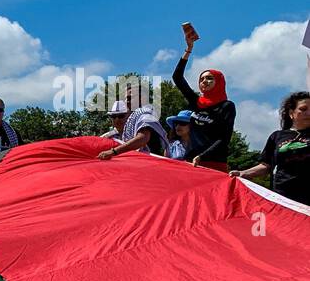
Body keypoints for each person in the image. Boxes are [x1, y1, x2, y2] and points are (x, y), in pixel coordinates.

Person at [231, 91, 310, 205]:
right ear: (291, 113)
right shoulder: (277, 136)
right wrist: (243, 173)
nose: (309, 113)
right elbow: (266, 165)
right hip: (282, 196)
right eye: (303, 109)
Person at [173, 29, 236, 170]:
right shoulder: (196, 102)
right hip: (191, 162)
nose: (204, 81)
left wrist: (203, 156)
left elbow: (224, 139)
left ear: (219, 82)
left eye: (209, 78)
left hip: (214, 163)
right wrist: (188, 49)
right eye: (202, 79)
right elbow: (177, 78)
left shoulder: (226, 106)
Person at [97, 101, 169, 160]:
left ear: (129, 116)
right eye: (113, 116)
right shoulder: (106, 137)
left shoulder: (140, 130)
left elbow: (143, 138)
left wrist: (113, 152)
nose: (117, 119)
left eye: (121, 116)